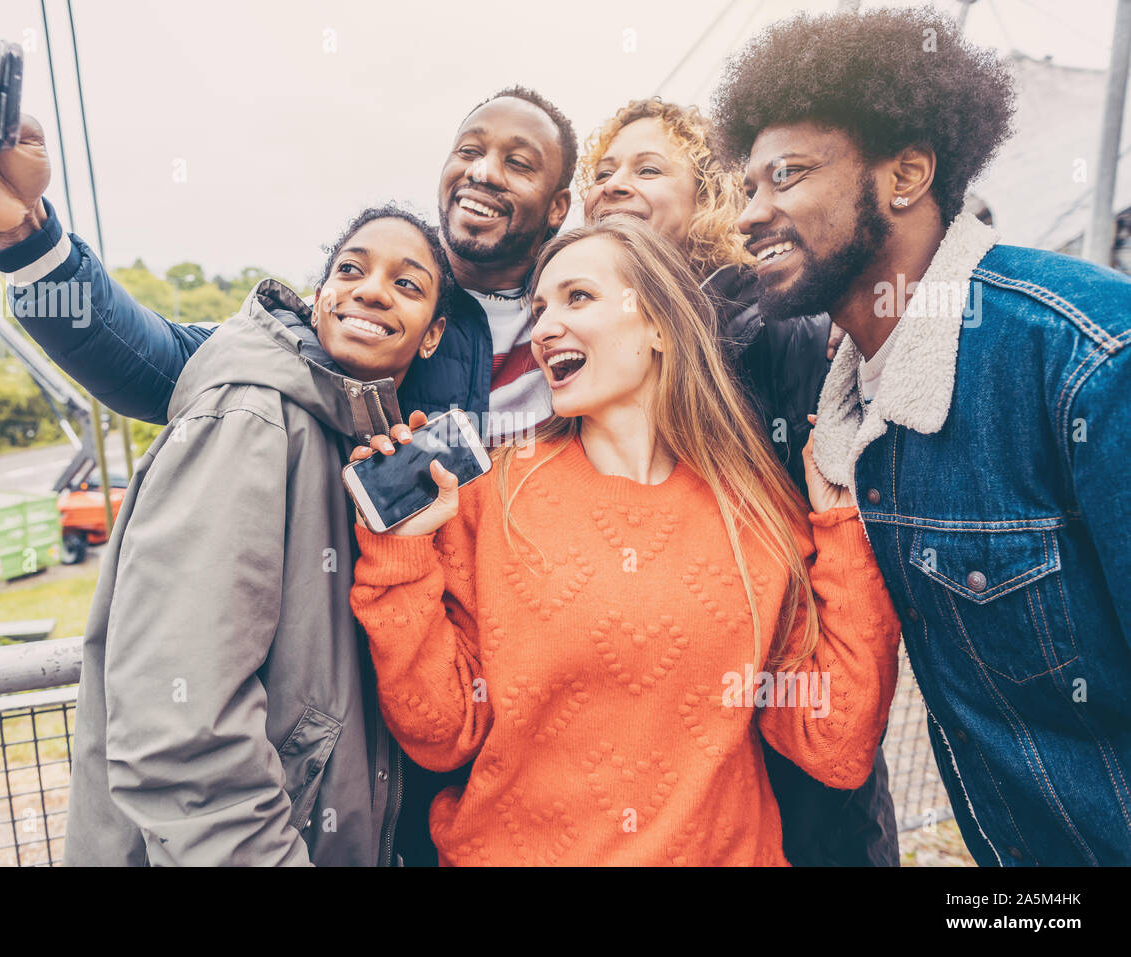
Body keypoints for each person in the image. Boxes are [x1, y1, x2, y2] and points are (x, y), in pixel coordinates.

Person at [0, 49, 471, 865]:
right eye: (350, 269)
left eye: (408, 285)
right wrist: (20, 228)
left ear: (436, 332)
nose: (372, 290)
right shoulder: (252, 414)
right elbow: (179, 734)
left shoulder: (363, 433)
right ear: (315, 294)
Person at [347, 215, 903, 865]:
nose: (546, 326)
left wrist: (842, 528)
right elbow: (440, 734)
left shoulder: (755, 506)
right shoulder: (484, 494)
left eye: (577, 297)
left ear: (659, 324)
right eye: (539, 308)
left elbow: (834, 744)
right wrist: (401, 554)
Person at [711, 6, 1131, 864]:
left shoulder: (1084, 357)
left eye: (785, 175)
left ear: (906, 174)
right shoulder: (851, 422)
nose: (751, 214)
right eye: (747, 187)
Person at [578, 97, 898, 866]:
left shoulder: (782, 326)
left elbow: (841, 530)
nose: (616, 182)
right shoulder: (585, 340)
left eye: (648, 168)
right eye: (604, 170)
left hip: (786, 720)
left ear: (711, 196)